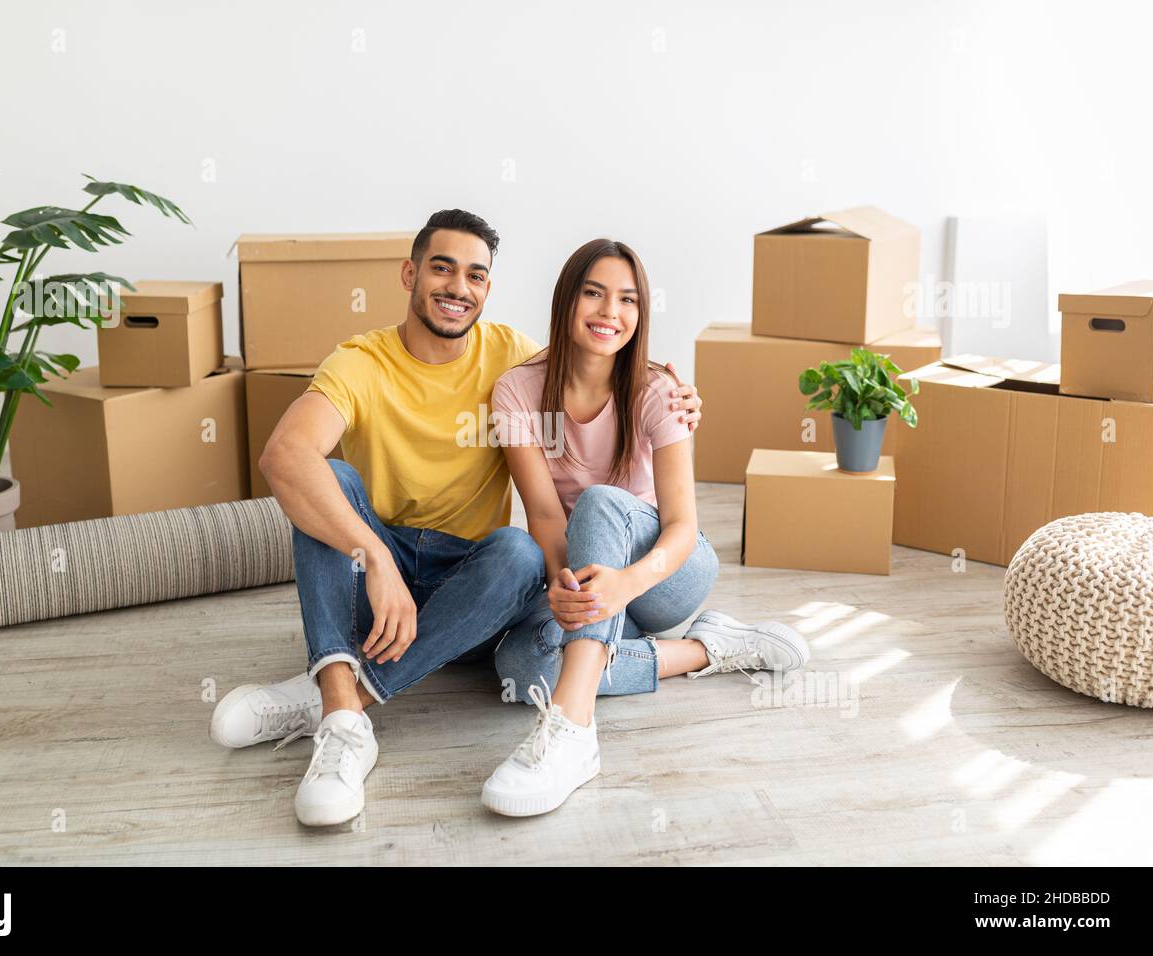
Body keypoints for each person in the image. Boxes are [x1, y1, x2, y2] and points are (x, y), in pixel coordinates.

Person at [208, 211, 705, 827]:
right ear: (410, 274)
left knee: (521, 553)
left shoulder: (511, 358)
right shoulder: (364, 360)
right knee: (327, 480)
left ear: (488, 290)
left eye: (475, 275)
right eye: (442, 268)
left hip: (475, 595)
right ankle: (344, 718)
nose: (457, 287)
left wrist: (676, 395)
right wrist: (376, 558)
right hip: (379, 592)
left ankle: (338, 698)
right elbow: (284, 456)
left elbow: (596, 357)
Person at [481, 238, 810, 817]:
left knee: (602, 503)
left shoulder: (659, 390)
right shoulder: (516, 391)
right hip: (588, 574)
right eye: (594, 293)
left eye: (628, 299)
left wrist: (625, 584)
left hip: (664, 574)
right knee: (518, 667)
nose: (611, 312)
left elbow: (683, 526)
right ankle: (706, 651)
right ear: (566, 300)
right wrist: (569, 587)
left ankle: (573, 730)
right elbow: (544, 514)